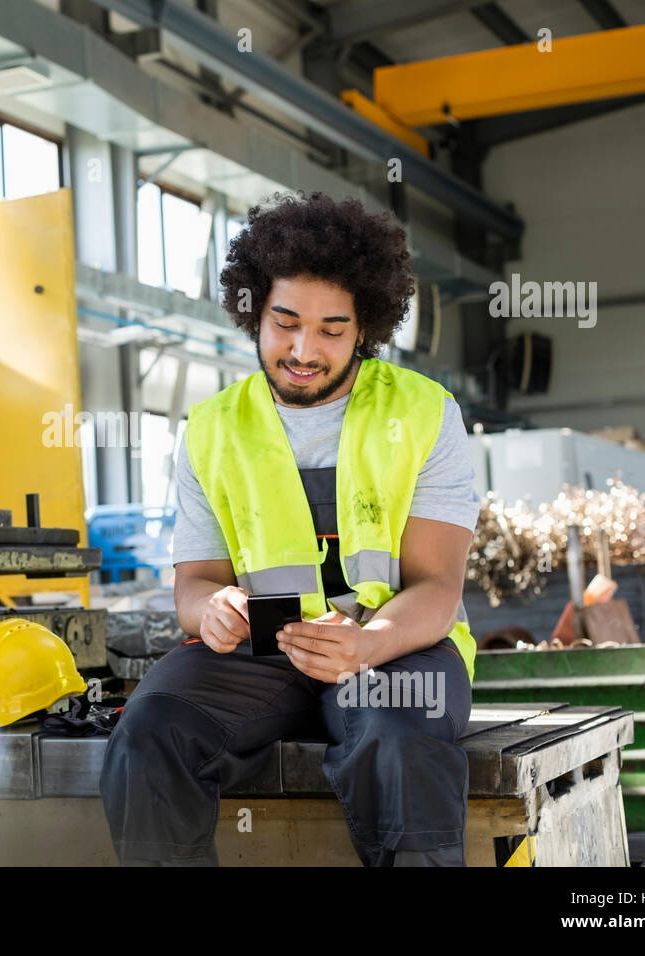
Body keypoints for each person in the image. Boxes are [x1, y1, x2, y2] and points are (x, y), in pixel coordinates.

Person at [99, 191, 482, 866]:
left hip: (397, 649)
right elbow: (194, 586)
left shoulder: (425, 415)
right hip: (263, 657)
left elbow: (436, 586)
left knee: (396, 740)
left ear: (365, 327)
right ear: (252, 311)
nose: (305, 350)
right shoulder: (212, 430)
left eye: (333, 330)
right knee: (149, 730)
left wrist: (365, 647)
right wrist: (210, 610)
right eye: (284, 323)